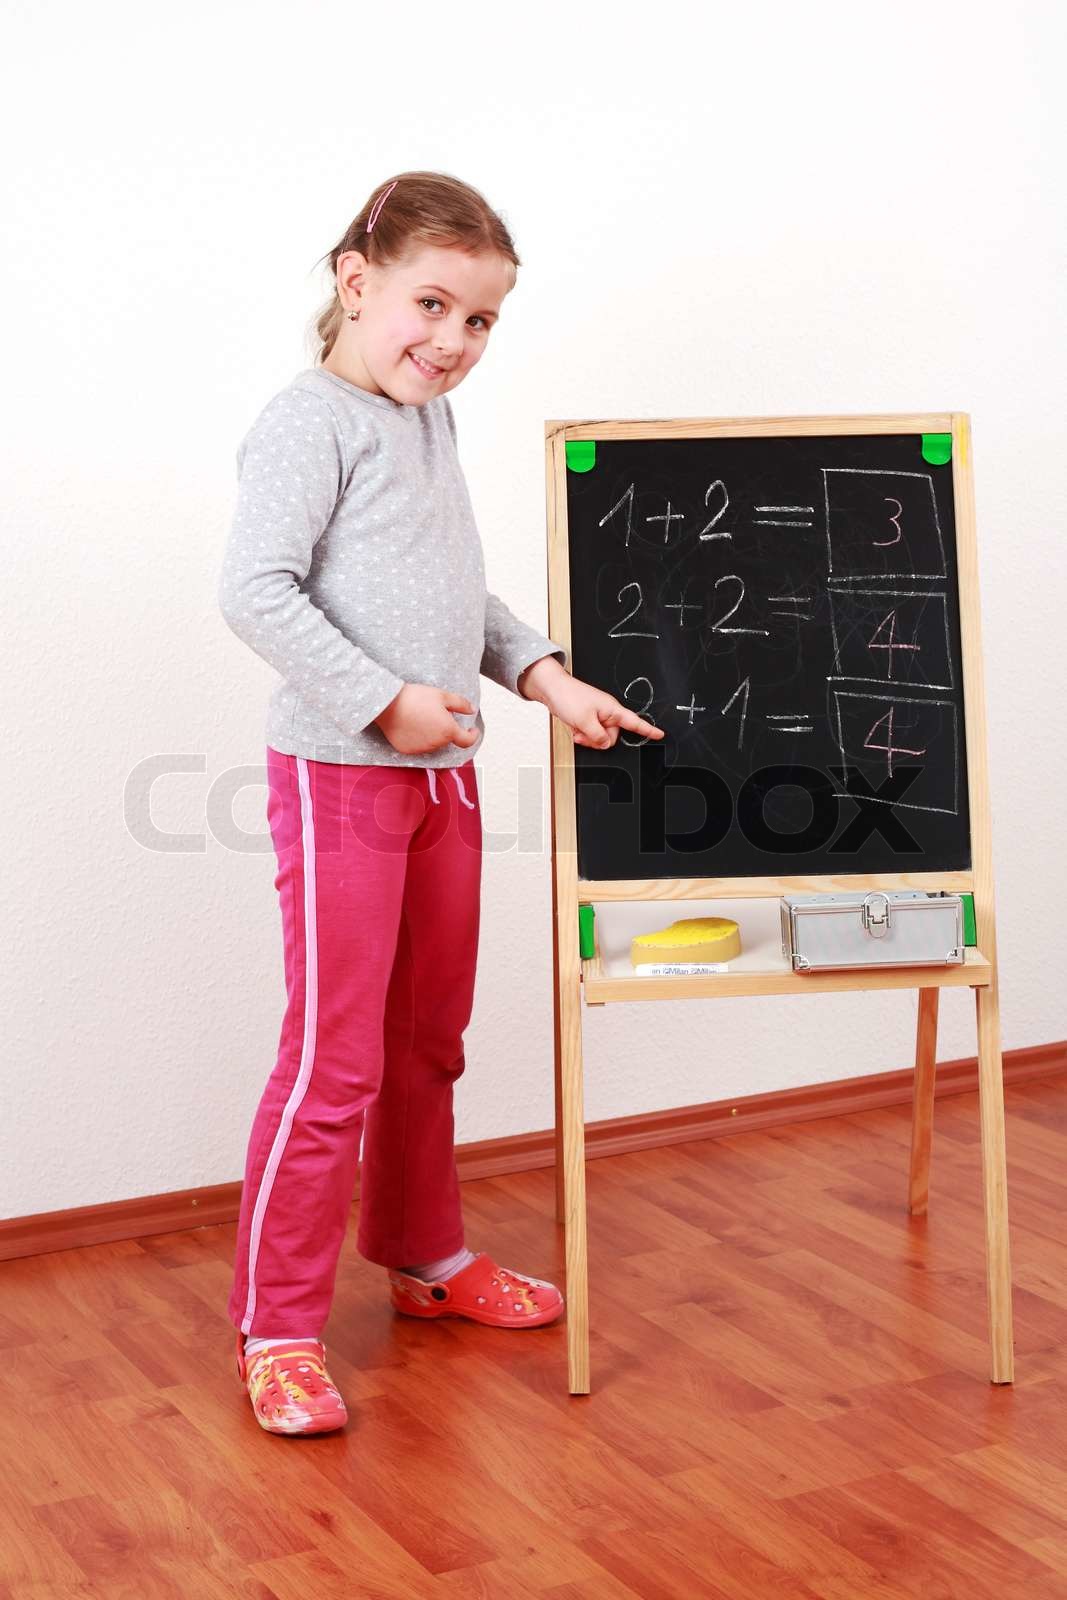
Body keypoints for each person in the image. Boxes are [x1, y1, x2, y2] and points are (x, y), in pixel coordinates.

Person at [218, 170, 664, 1435]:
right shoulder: (308, 423)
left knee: (427, 1039)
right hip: (344, 778)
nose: (453, 340)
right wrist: (382, 702)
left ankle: (423, 1255)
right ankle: (277, 1327)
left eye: (478, 320)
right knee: (333, 1059)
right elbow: (254, 590)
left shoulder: (427, 422)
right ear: (356, 280)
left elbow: (454, 593)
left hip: (440, 782)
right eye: (431, 304)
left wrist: (540, 672)